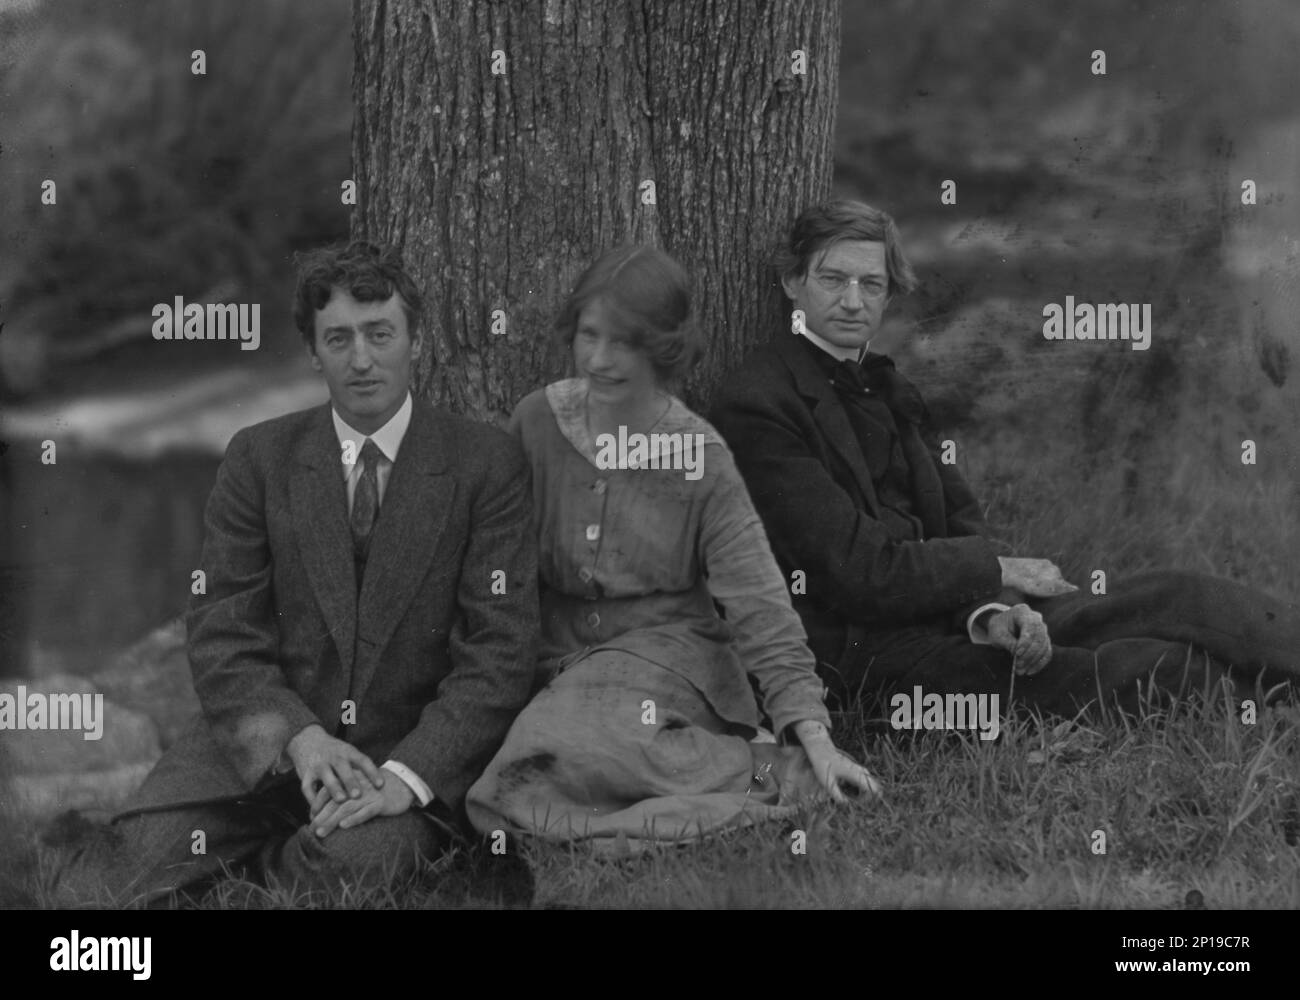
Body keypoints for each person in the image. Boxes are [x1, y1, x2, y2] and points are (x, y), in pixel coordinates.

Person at [51, 241, 539, 906]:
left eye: (380, 334)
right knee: (118, 873)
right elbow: (223, 629)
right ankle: (248, 857)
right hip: (263, 751)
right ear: (312, 352)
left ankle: (266, 873)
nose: (361, 359)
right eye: (337, 338)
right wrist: (297, 738)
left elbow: (500, 650)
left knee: (344, 870)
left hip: (393, 761)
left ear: (416, 342)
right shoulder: (260, 457)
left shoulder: (486, 464)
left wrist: (407, 776)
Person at [709, 199, 1300, 716]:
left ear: (890, 292)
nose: (852, 300)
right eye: (832, 279)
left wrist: (995, 613)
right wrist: (996, 574)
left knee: (1179, 595)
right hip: (866, 658)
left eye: (871, 284)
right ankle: (1272, 705)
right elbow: (857, 575)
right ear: (792, 282)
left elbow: (961, 521)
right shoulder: (758, 404)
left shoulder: (884, 384)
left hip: (950, 611)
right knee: (1157, 668)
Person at [465, 245, 878, 852]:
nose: (600, 360)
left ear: (663, 347)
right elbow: (494, 561)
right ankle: (694, 788)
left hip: (671, 658)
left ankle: (779, 770)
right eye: (588, 336)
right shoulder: (535, 422)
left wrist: (812, 733)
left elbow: (758, 596)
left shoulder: (699, 453)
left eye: (624, 343)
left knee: (565, 746)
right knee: (539, 759)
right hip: (553, 658)